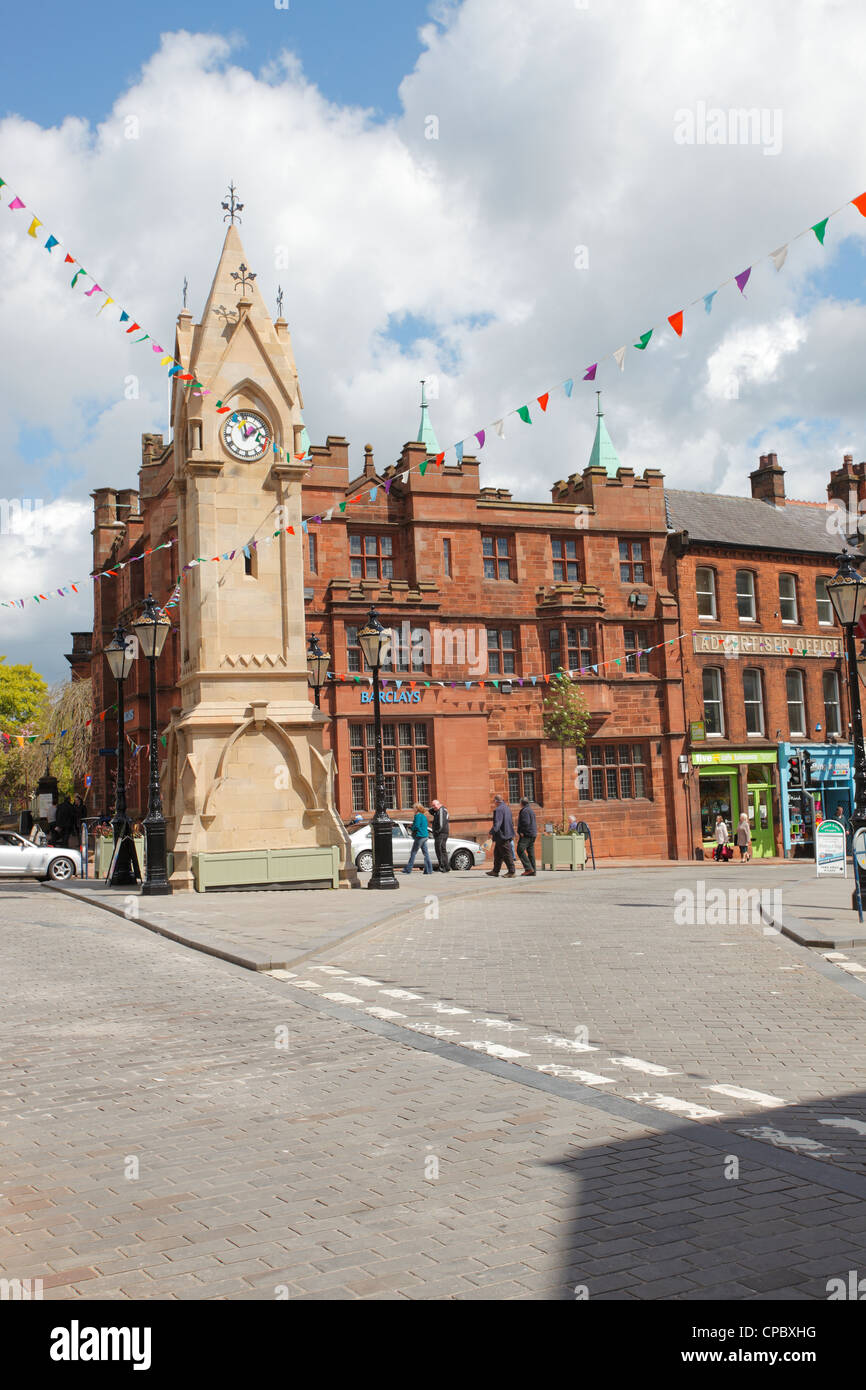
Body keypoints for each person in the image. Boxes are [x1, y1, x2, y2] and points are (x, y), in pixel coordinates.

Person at [487, 794, 516, 878]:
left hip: (502, 835)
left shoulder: (498, 810)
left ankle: (512, 871)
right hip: (507, 834)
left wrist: (491, 832)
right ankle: (495, 871)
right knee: (497, 854)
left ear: (496, 801)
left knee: (506, 854)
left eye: (494, 802)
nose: (494, 803)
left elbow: (498, 823)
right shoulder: (507, 808)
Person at [402, 802, 433, 875]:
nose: (413, 809)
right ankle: (428, 870)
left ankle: (408, 869)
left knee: (413, 853)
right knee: (426, 854)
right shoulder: (423, 816)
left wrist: (411, 827)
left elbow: (417, 826)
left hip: (419, 836)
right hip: (425, 836)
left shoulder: (417, 816)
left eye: (414, 808)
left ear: (417, 809)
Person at [517, 796, 537, 876]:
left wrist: (522, 831)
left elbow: (526, 823)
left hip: (527, 834)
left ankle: (529, 868)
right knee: (531, 852)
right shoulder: (530, 810)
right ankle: (533, 870)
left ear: (521, 803)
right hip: (533, 834)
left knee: (520, 849)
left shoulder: (524, 811)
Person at [431, 799, 450, 872]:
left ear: (439, 804)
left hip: (441, 833)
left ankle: (442, 866)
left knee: (439, 850)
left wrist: (437, 831)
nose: (433, 807)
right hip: (443, 833)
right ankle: (446, 866)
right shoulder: (440, 810)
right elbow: (430, 811)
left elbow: (441, 823)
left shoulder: (441, 811)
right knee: (442, 849)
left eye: (434, 805)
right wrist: (435, 807)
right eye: (432, 806)